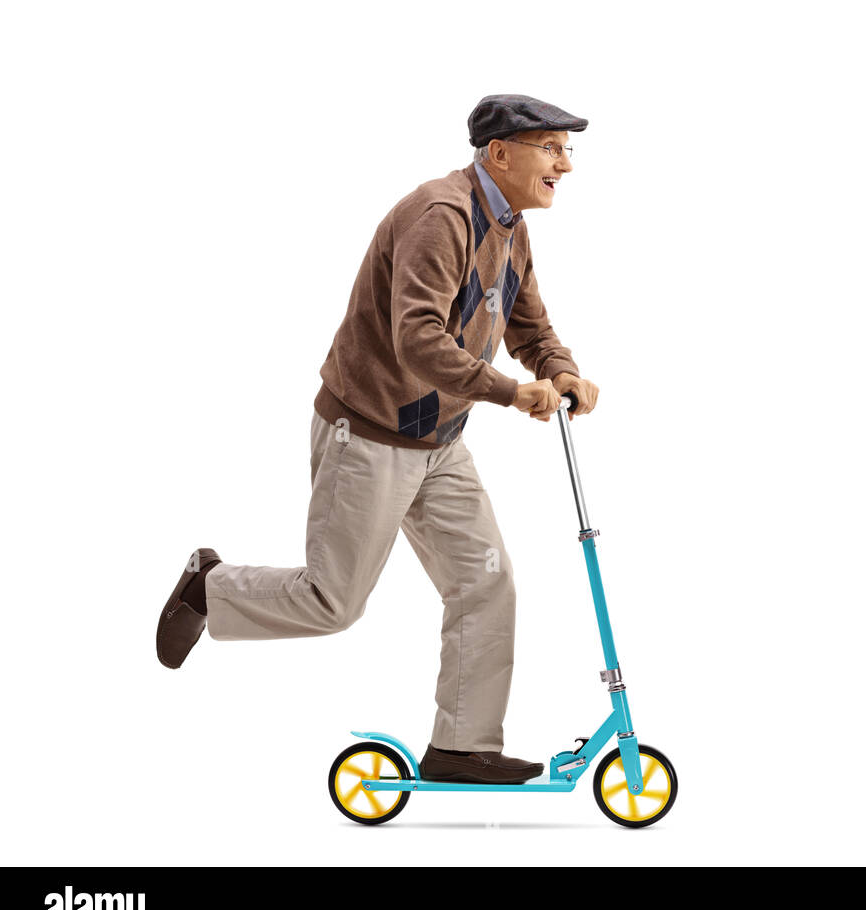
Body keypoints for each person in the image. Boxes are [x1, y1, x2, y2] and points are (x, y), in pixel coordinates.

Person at [156, 94, 600, 785]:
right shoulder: (441, 217)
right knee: (332, 603)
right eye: (552, 149)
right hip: (367, 434)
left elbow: (526, 323)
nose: (566, 165)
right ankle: (209, 589)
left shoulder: (507, 224)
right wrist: (513, 392)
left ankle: (461, 746)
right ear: (500, 153)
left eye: (568, 151)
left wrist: (559, 369)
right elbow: (416, 338)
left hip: (439, 441)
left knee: (486, 584)